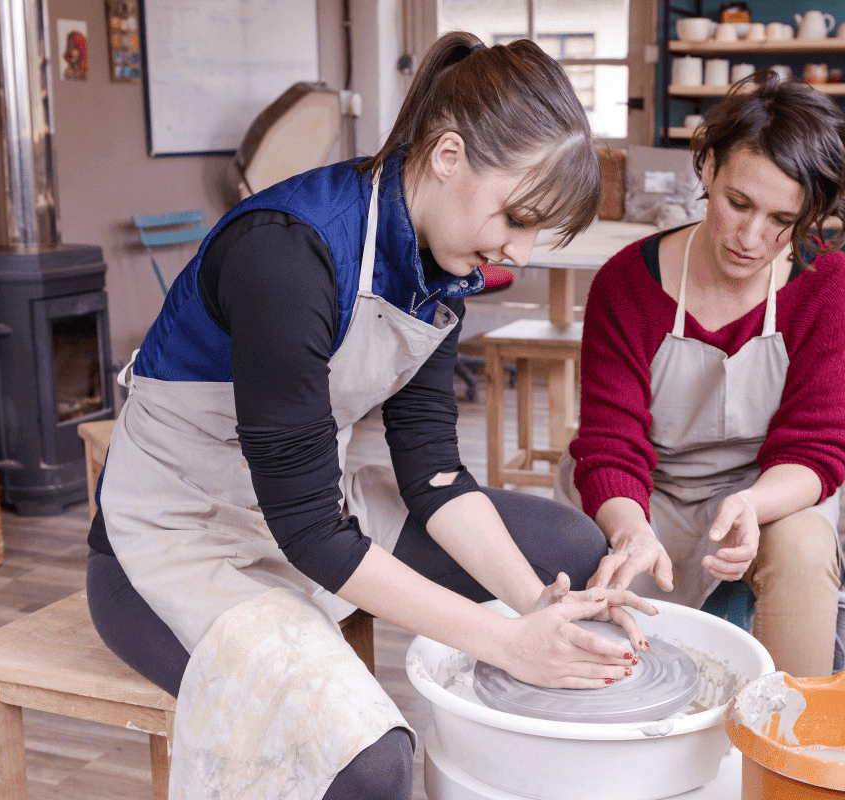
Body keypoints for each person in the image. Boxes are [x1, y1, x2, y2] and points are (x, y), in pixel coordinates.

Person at [87, 31, 654, 800]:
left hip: (305, 507)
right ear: (448, 156)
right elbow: (312, 532)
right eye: (516, 218)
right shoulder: (290, 253)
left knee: (569, 553)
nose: (519, 254)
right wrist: (507, 643)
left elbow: (434, 472)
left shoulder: (440, 264)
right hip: (176, 537)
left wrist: (540, 609)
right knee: (368, 763)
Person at [556, 69, 845, 678]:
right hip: (645, 491)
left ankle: (793, 729)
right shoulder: (627, 282)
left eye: (783, 219)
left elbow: (817, 447)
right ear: (707, 169)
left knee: (804, 548)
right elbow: (610, 446)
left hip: (762, 489)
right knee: (590, 578)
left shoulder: (827, 285)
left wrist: (753, 503)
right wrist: (631, 530)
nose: (752, 238)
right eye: (738, 203)